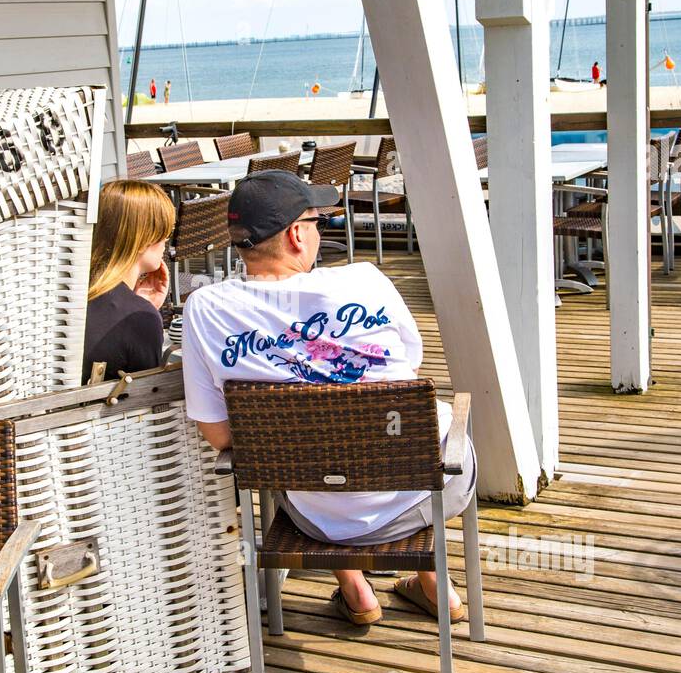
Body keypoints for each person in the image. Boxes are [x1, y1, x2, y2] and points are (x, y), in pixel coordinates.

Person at [180, 170, 478, 626]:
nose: (321, 232)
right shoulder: (366, 281)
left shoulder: (205, 309)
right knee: (402, 427)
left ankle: (356, 591)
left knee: (313, 456)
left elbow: (220, 436)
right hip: (425, 489)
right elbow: (408, 370)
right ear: (297, 235)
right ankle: (438, 587)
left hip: (316, 517)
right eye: (319, 222)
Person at [82, 180, 174, 382]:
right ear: (143, 240)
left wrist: (140, 304)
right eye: (164, 234)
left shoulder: (75, 292)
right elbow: (148, 399)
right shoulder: (137, 318)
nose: (166, 242)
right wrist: (143, 312)